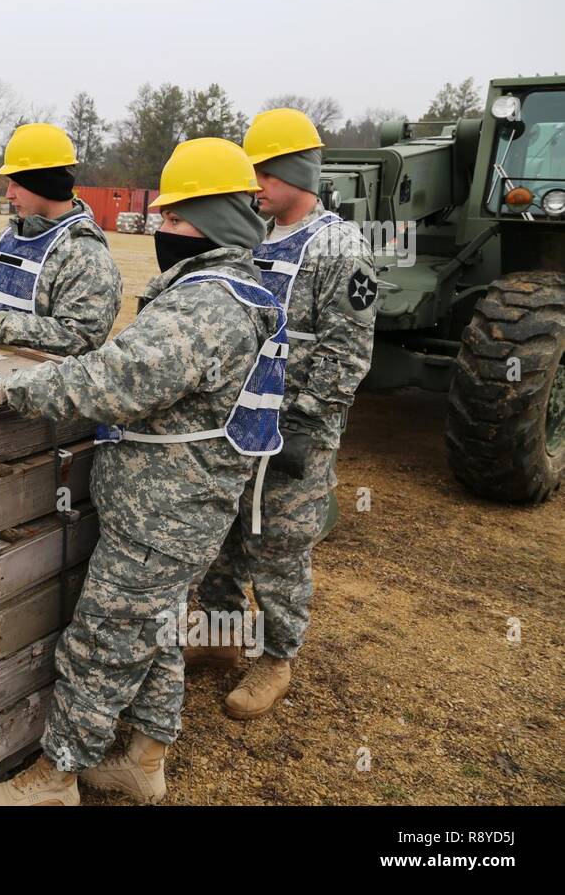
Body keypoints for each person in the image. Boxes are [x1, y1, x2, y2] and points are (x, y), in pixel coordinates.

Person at [0, 138, 286, 806]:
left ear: (219, 221)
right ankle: (146, 762)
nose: (162, 231)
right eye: (163, 219)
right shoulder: (217, 288)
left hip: (165, 515)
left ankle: (55, 779)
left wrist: (10, 392)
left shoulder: (210, 306)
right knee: (159, 631)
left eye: (175, 220)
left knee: (101, 642)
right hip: (173, 508)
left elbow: (118, 379)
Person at [187, 108, 379, 718]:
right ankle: (220, 638)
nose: (256, 187)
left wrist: (305, 421)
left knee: (279, 546)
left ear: (298, 172)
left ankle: (277, 658)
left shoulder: (339, 246)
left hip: (295, 429)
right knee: (221, 535)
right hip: (236, 419)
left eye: (266, 174)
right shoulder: (251, 234)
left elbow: (348, 348)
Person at [0, 123, 122, 354]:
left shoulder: (86, 255)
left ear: (43, 184)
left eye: (16, 184)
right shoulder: (10, 237)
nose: (8, 194)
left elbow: (79, 337)